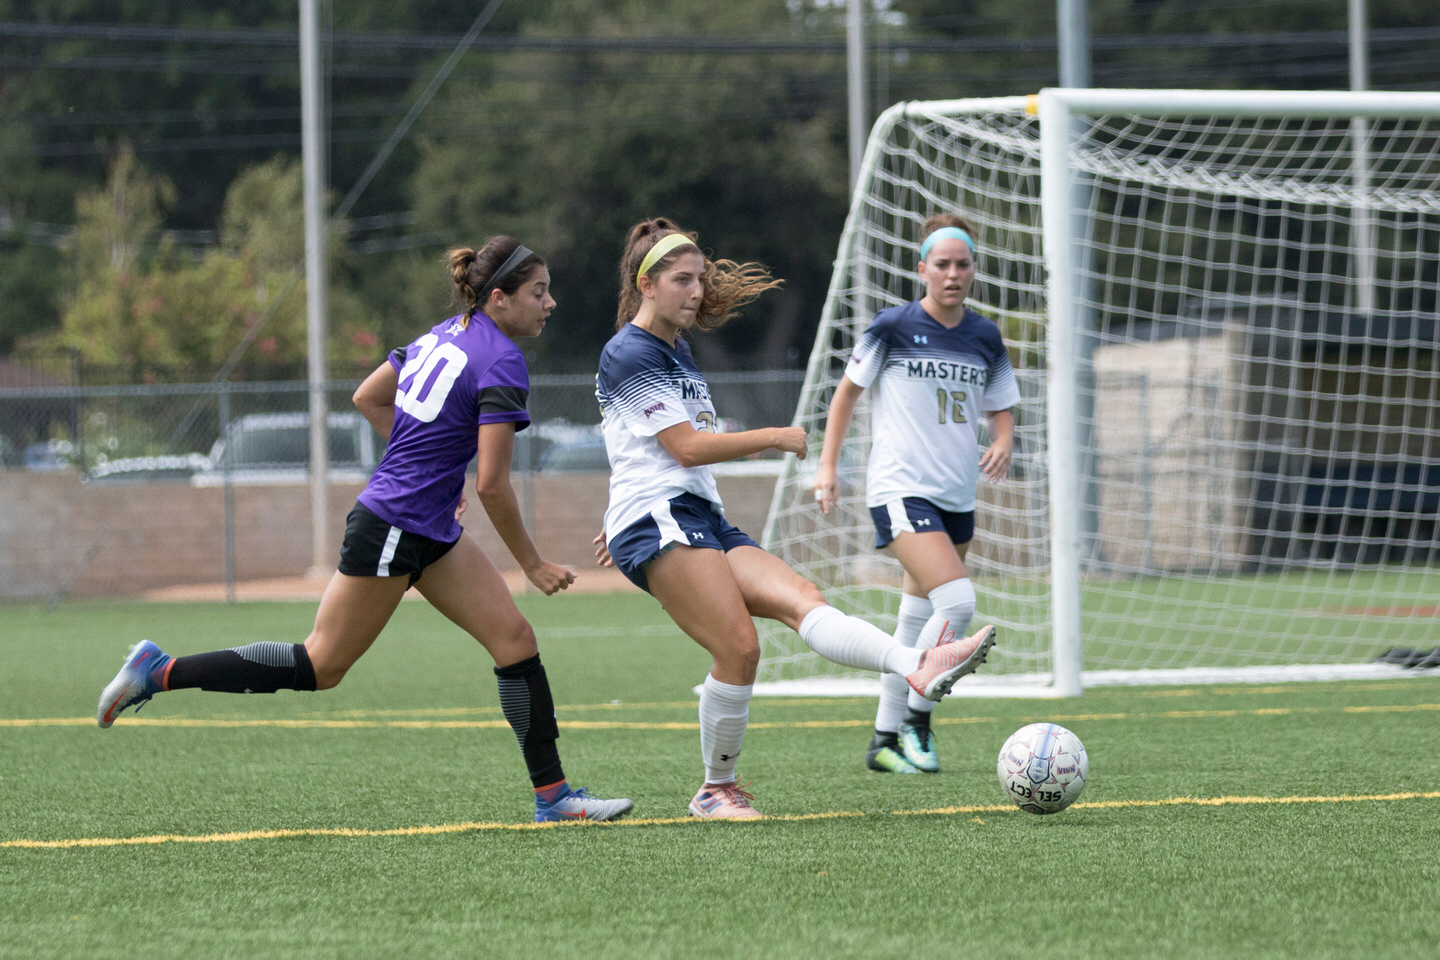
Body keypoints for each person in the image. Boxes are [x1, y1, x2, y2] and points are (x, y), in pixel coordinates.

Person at [96, 237, 633, 824]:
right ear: (499, 299)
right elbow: (493, 486)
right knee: (320, 666)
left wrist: (426, 464)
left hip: (423, 525)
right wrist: (532, 563)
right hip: (396, 525)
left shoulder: (442, 332)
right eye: (538, 292)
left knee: (514, 641)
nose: (550, 303)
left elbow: (368, 395)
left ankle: (553, 798)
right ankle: (160, 670)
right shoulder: (502, 360)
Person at [592, 218, 996, 821]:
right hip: (660, 520)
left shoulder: (674, 350)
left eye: (701, 279)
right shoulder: (630, 350)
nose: (697, 291)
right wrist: (775, 437)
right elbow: (686, 448)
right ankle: (715, 790)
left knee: (803, 597)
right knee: (740, 647)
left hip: (690, 515)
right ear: (647, 284)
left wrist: (622, 506)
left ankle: (918, 665)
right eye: (683, 280)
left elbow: (636, 447)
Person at [811, 212, 1019, 776]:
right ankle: (916, 725)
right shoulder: (891, 327)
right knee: (958, 605)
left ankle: (883, 741)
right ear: (921, 268)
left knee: (915, 617)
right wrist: (828, 465)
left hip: (957, 496)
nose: (953, 274)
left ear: (974, 270)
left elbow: (1002, 409)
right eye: (942, 264)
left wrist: (1002, 440)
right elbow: (846, 396)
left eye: (963, 264)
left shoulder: (983, 336)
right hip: (901, 490)